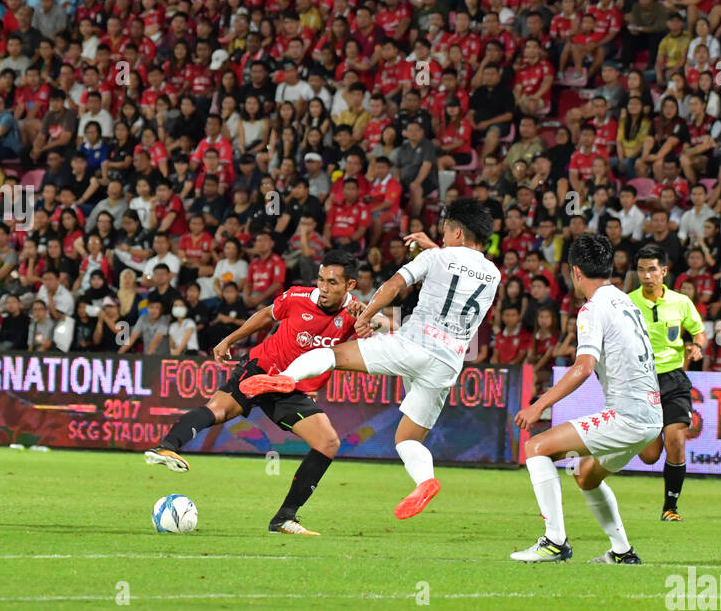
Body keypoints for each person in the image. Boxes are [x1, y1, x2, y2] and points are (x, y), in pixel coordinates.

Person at [238, 199, 499, 521]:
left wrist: (368, 315)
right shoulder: (493, 273)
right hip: (448, 363)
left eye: (445, 232)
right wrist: (435, 248)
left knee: (330, 355)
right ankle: (425, 480)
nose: (442, 238)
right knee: (407, 439)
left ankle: (288, 378)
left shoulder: (435, 256)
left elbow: (394, 285)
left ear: (456, 231)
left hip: (413, 345)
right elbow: (460, 269)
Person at [145, 251, 388, 535]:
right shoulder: (298, 297)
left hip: (291, 388)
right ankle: (167, 446)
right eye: (321, 279)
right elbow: (264, 316)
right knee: (219, 409)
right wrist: (230, 339)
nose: (323, 288)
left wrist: (372, 320)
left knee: (328, 442)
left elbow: (380, 335)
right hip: (261, 369)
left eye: (332, 283)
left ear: (350, 285)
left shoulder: (354, 315)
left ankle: (284, 518)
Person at [508, 232, 662, 564]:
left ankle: (554, 542)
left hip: (627, 416)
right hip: (650, 416)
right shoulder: (627, 302)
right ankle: (622, 552)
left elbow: (583, 367)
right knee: (586, 475)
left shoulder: (593, 309)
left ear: (575, 272)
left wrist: (539, 404)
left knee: (536, 447)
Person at [627, 245, 705, 522]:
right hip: (642, 381)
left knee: (676, 439)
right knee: (649, 456)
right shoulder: (628, 302)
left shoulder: (681, 302)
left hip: (673, 378)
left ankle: (670, 507)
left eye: (652, 270)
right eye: (641, 270)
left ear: (664, 271)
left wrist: (696, 346)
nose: (647, 276)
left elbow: (699, 331)